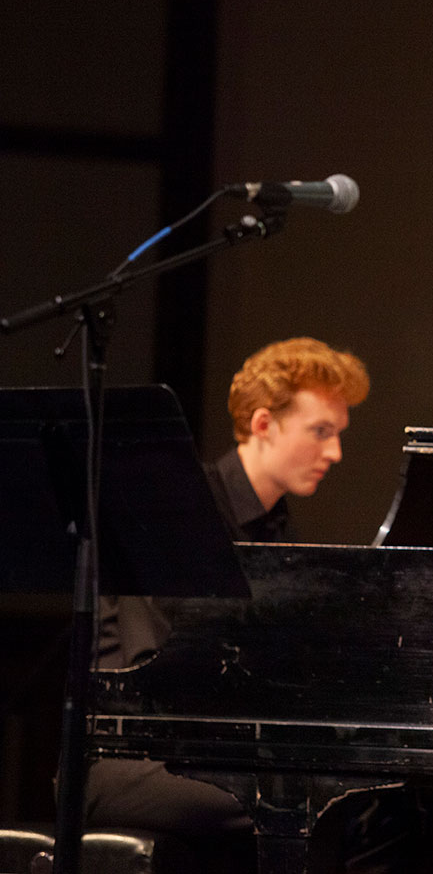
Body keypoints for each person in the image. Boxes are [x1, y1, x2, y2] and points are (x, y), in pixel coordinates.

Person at [84, 337, 370, 868]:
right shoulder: (176, 508)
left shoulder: (280, 536)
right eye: (320, 432)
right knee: (305, 800)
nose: (334, 453)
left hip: (204, 752)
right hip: (124, 760)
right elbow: (157, 669)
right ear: (264, 424)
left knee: (357, 799)